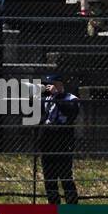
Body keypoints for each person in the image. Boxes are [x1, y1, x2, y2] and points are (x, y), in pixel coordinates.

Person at [40, 74, 80, 203]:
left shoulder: (71, 99)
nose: (48, 87)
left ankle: (72, 205)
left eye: (50, 84)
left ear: (59, 84)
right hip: (48, 140)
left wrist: (58, 96)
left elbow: (70, 112)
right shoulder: (47, 99)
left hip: (63, 139)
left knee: (65, 175)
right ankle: (53, 205)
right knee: (49, 177)